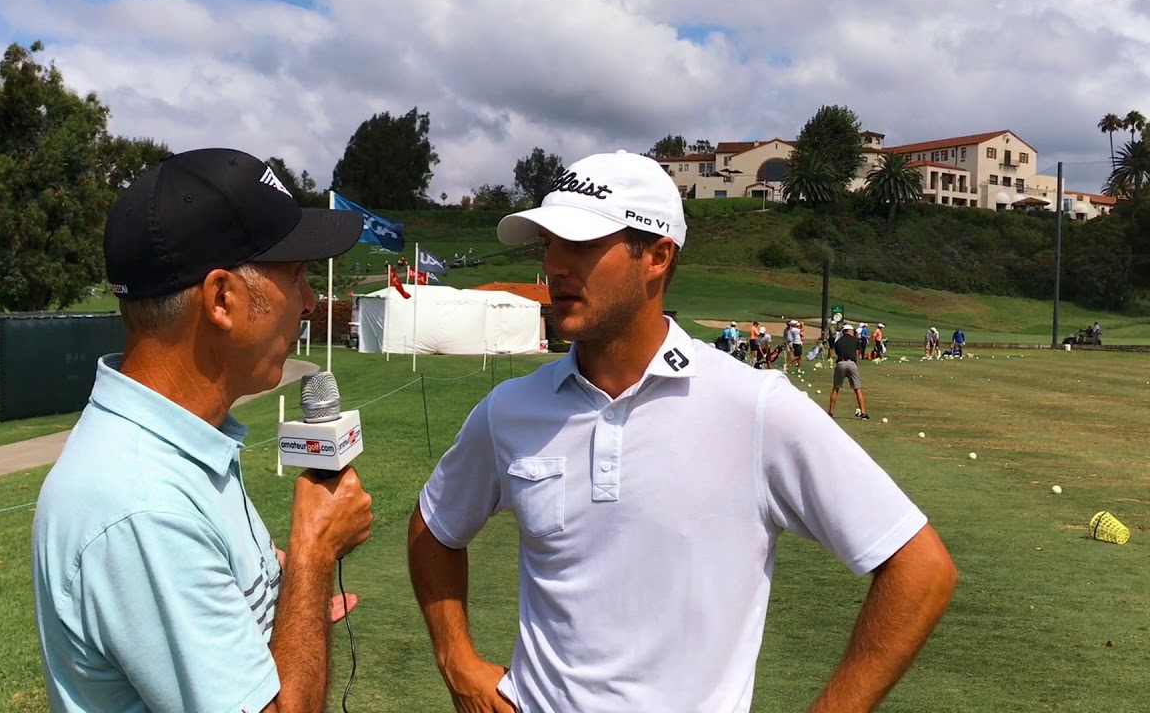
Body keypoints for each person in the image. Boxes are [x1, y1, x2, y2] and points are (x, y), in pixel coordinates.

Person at [406, 149, 958, 713]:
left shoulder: (755, 406)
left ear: (658, 256)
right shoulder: (510, 410)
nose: (555, 265)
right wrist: (459, 664)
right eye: (548, 244)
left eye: (581, 244)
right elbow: (434, 526)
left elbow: (920, 568)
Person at [31, 148, 375, 713]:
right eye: (296, 276)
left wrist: (289, 601)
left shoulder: (179, 447)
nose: (311, 302)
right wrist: (313, 556)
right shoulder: (142, 505)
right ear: (222, 299)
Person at [829, 323, 869, 420]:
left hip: (841, 363)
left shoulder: (838, 341)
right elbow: (857, 353)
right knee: (857, 389)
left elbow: (837, 353)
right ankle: (863, 413)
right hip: (851, 363)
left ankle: (830, 413)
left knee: (836, 388)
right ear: (850, 331)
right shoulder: (856, 340)